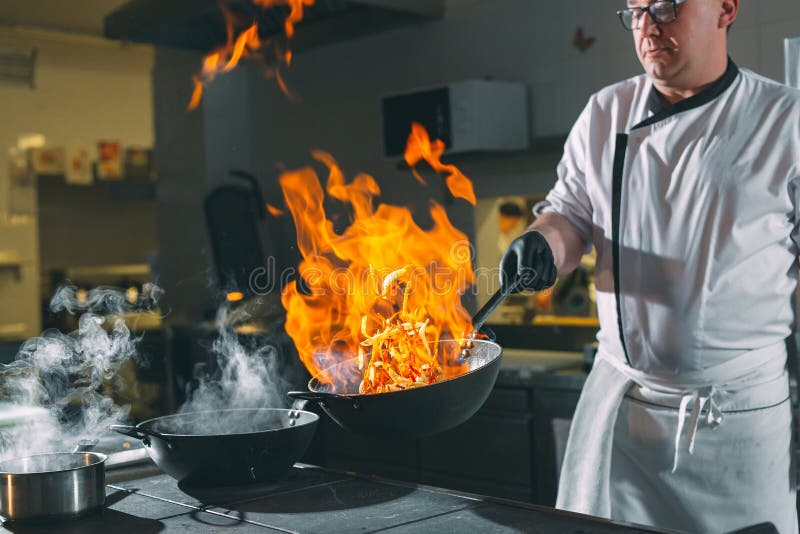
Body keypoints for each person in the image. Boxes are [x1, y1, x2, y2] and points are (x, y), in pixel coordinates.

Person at [499, 0, 800, 532]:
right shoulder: (605, 112)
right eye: (634, 11)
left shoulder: (783, 120)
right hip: (626, 415)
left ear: (726, 9)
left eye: (664, 7)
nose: (646, 26)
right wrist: (544, 243)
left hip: (735, 423)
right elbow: (568, 214)